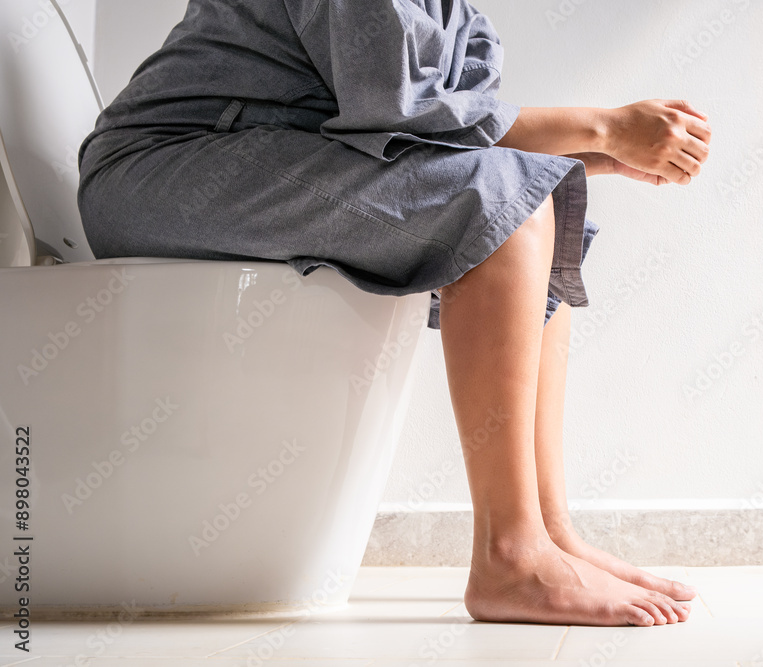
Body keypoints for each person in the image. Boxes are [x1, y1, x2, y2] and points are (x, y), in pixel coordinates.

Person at [77, 0, 711, 626]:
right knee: (500, 201)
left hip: (243, 150)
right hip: (158, 170)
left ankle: (548, 532)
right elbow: (405, 107)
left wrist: (600, 150)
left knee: (532, 191)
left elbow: (460, 125)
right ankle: (511, 558)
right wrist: (604, 129)